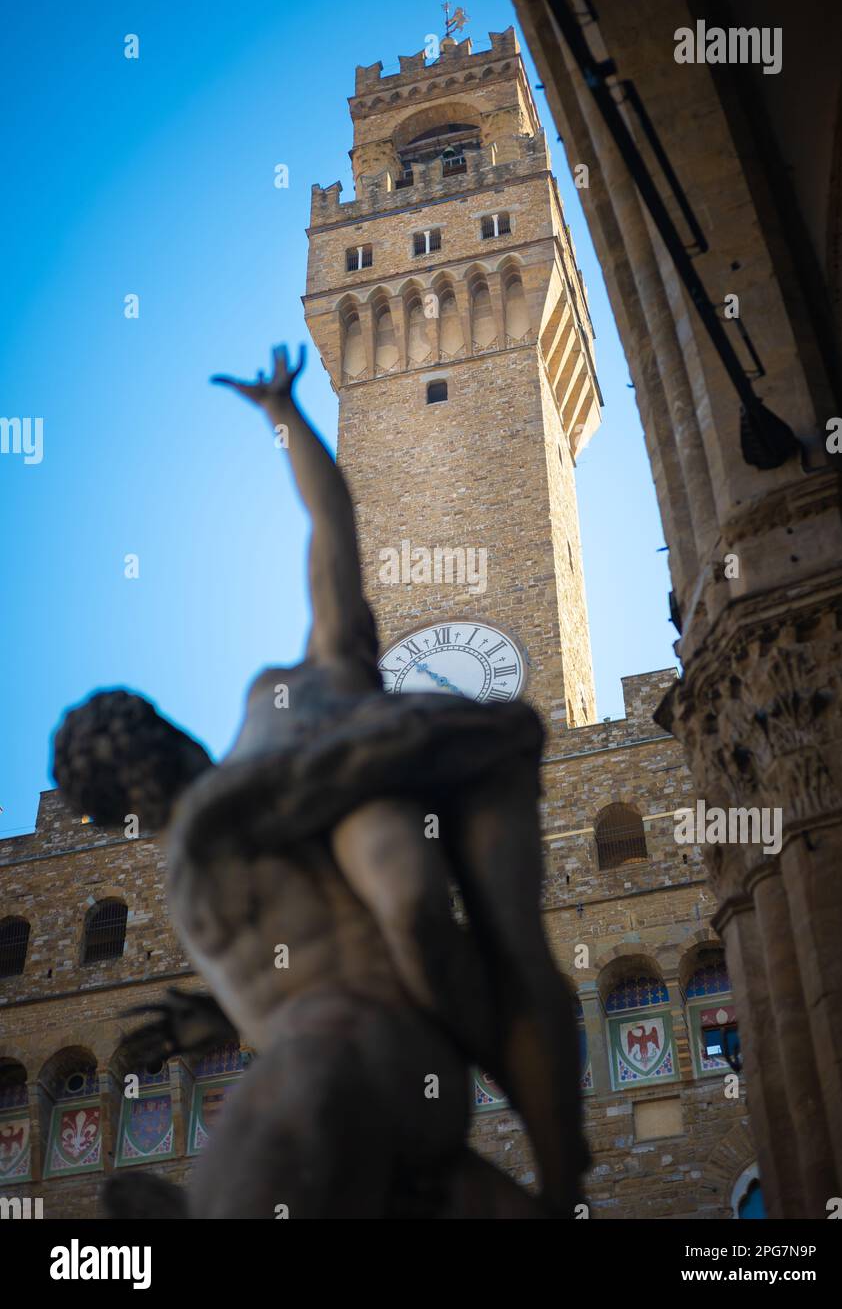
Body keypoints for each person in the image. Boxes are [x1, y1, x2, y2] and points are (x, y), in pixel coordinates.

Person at [53, 347, 587, 1217]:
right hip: (411, 1069)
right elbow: (331, 532)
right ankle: (563, 1175)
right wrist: (285, 417)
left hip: (337, 1067)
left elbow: (329, 537)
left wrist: (286, 417)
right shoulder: (277, 733)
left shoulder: (249, 775)